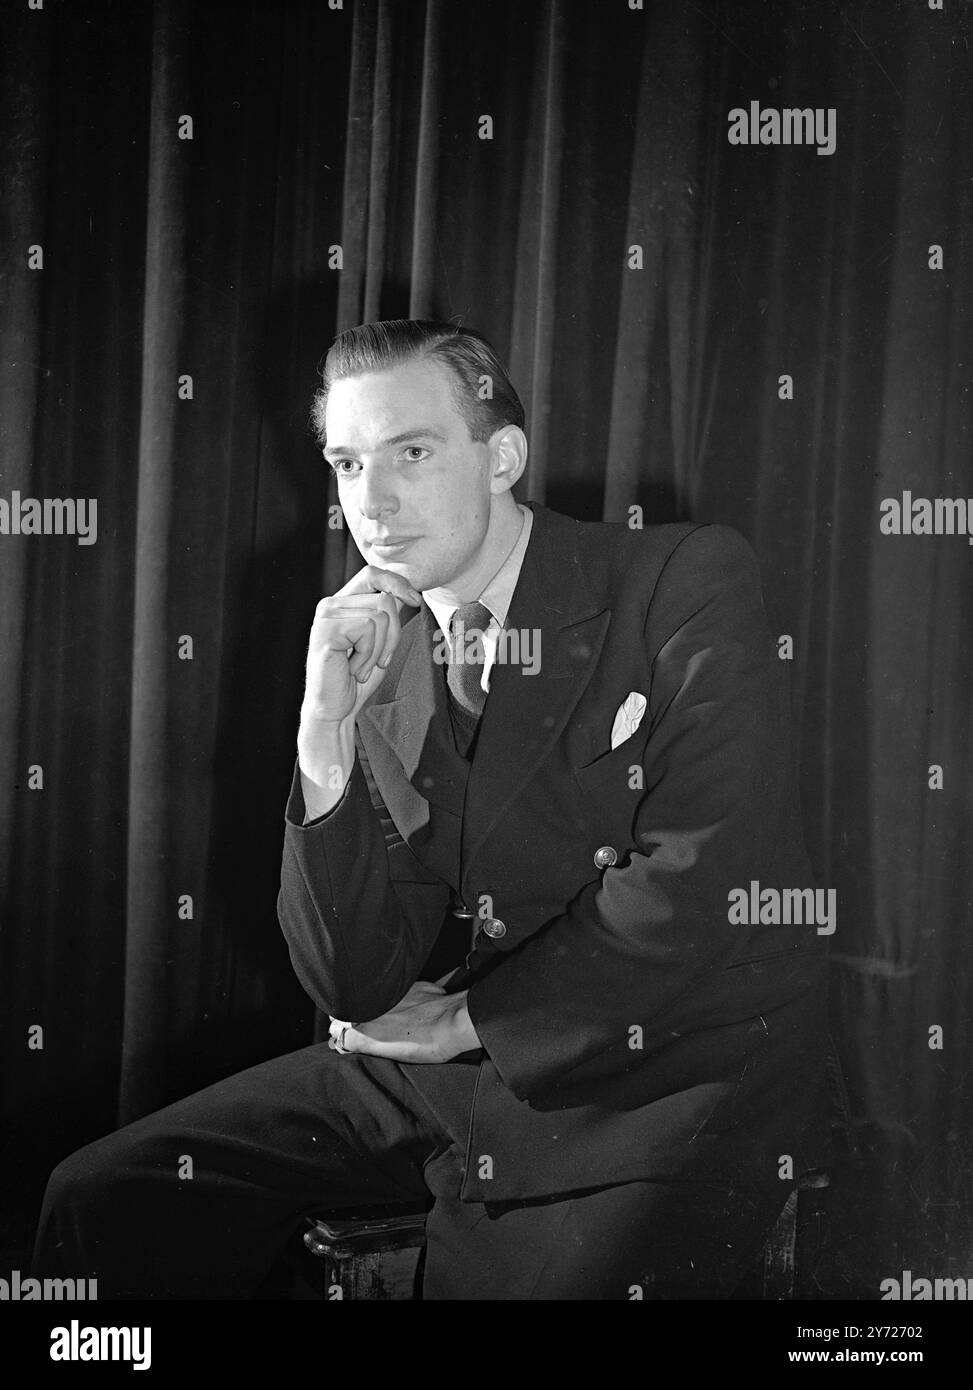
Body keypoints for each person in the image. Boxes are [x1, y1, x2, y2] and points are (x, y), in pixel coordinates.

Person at [33, 319, 828, 1300]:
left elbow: (711, 872)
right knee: (103, 1197)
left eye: (411, 451)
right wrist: (321, 734)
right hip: (458, 1070)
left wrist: (468, 1016)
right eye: (347, 462)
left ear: (502, 456)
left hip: (657, 1074)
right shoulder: (385, 650)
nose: (371, 499)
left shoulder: (677, 580)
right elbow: (353, 977)